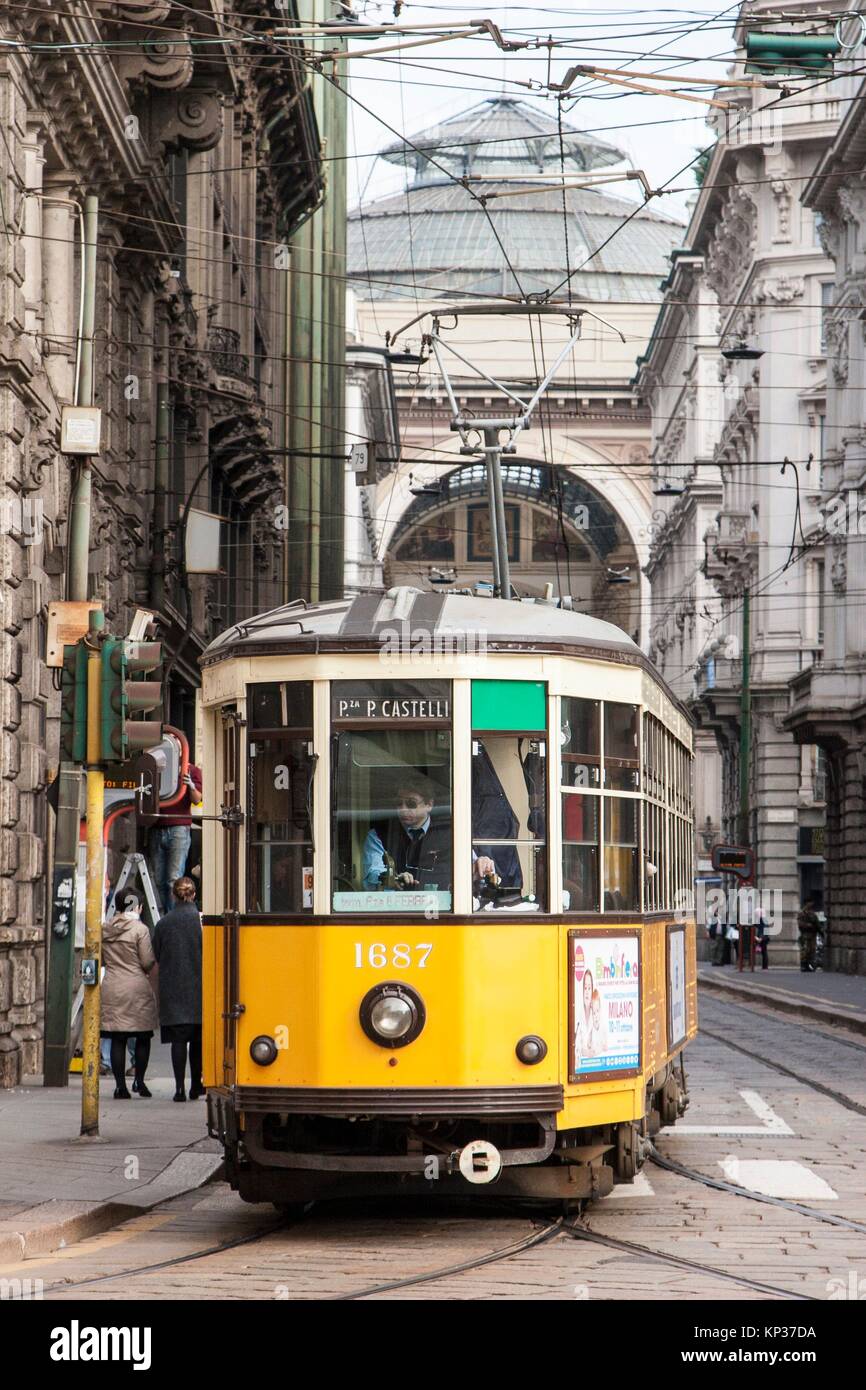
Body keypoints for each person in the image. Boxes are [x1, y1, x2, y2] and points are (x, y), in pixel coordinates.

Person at [362, 774, 496, 891]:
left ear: (429, 805)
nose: (402, 809)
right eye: (398, 803)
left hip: (444, 909)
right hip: (397, 911)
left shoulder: (451, 834)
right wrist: (392, 878)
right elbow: (372, 874)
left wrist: (483, 864)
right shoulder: (378, 835)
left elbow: (475, 868)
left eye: (411, 803)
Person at [100, 892, 157, 1099]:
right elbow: (147, 960)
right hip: (136, 988)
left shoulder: (105, 929)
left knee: (118, 1037)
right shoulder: (140, 930)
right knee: (142, 1035)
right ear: (138, 907)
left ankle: (120, 1087)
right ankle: (139, 1081)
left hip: (112, 986)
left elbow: (102, 960)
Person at [152, 877, 204, 1101]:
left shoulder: (164, 923)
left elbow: (157, 955)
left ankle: (179, 1088)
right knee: (198, 1040)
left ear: (174, 895)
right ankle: (196, 1085)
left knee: (178, 1041)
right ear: (194, 895)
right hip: (199, 986)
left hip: (172, 987)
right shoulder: (201, 921)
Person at [147, 763, 203, 916]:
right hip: (156, 825)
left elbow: (197, 799)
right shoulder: (156, 766)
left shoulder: (192, 770)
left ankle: (173, 917)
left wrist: (190, 785)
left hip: (179, 827)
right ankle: (163, 917)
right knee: (158, 880)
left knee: (173, 878)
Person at [797, 896, 821, 973]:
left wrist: (820, 930)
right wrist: (808, 925)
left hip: (812, 935)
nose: (812, 904)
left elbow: (817, 924)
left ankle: (810, 965)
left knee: (812, 950)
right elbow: (800, 924)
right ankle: (804, 965)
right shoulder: (802, 913)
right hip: (805, 935)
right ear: (807, 903)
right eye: (810, 902)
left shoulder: (813, 913)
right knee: (805, 950)